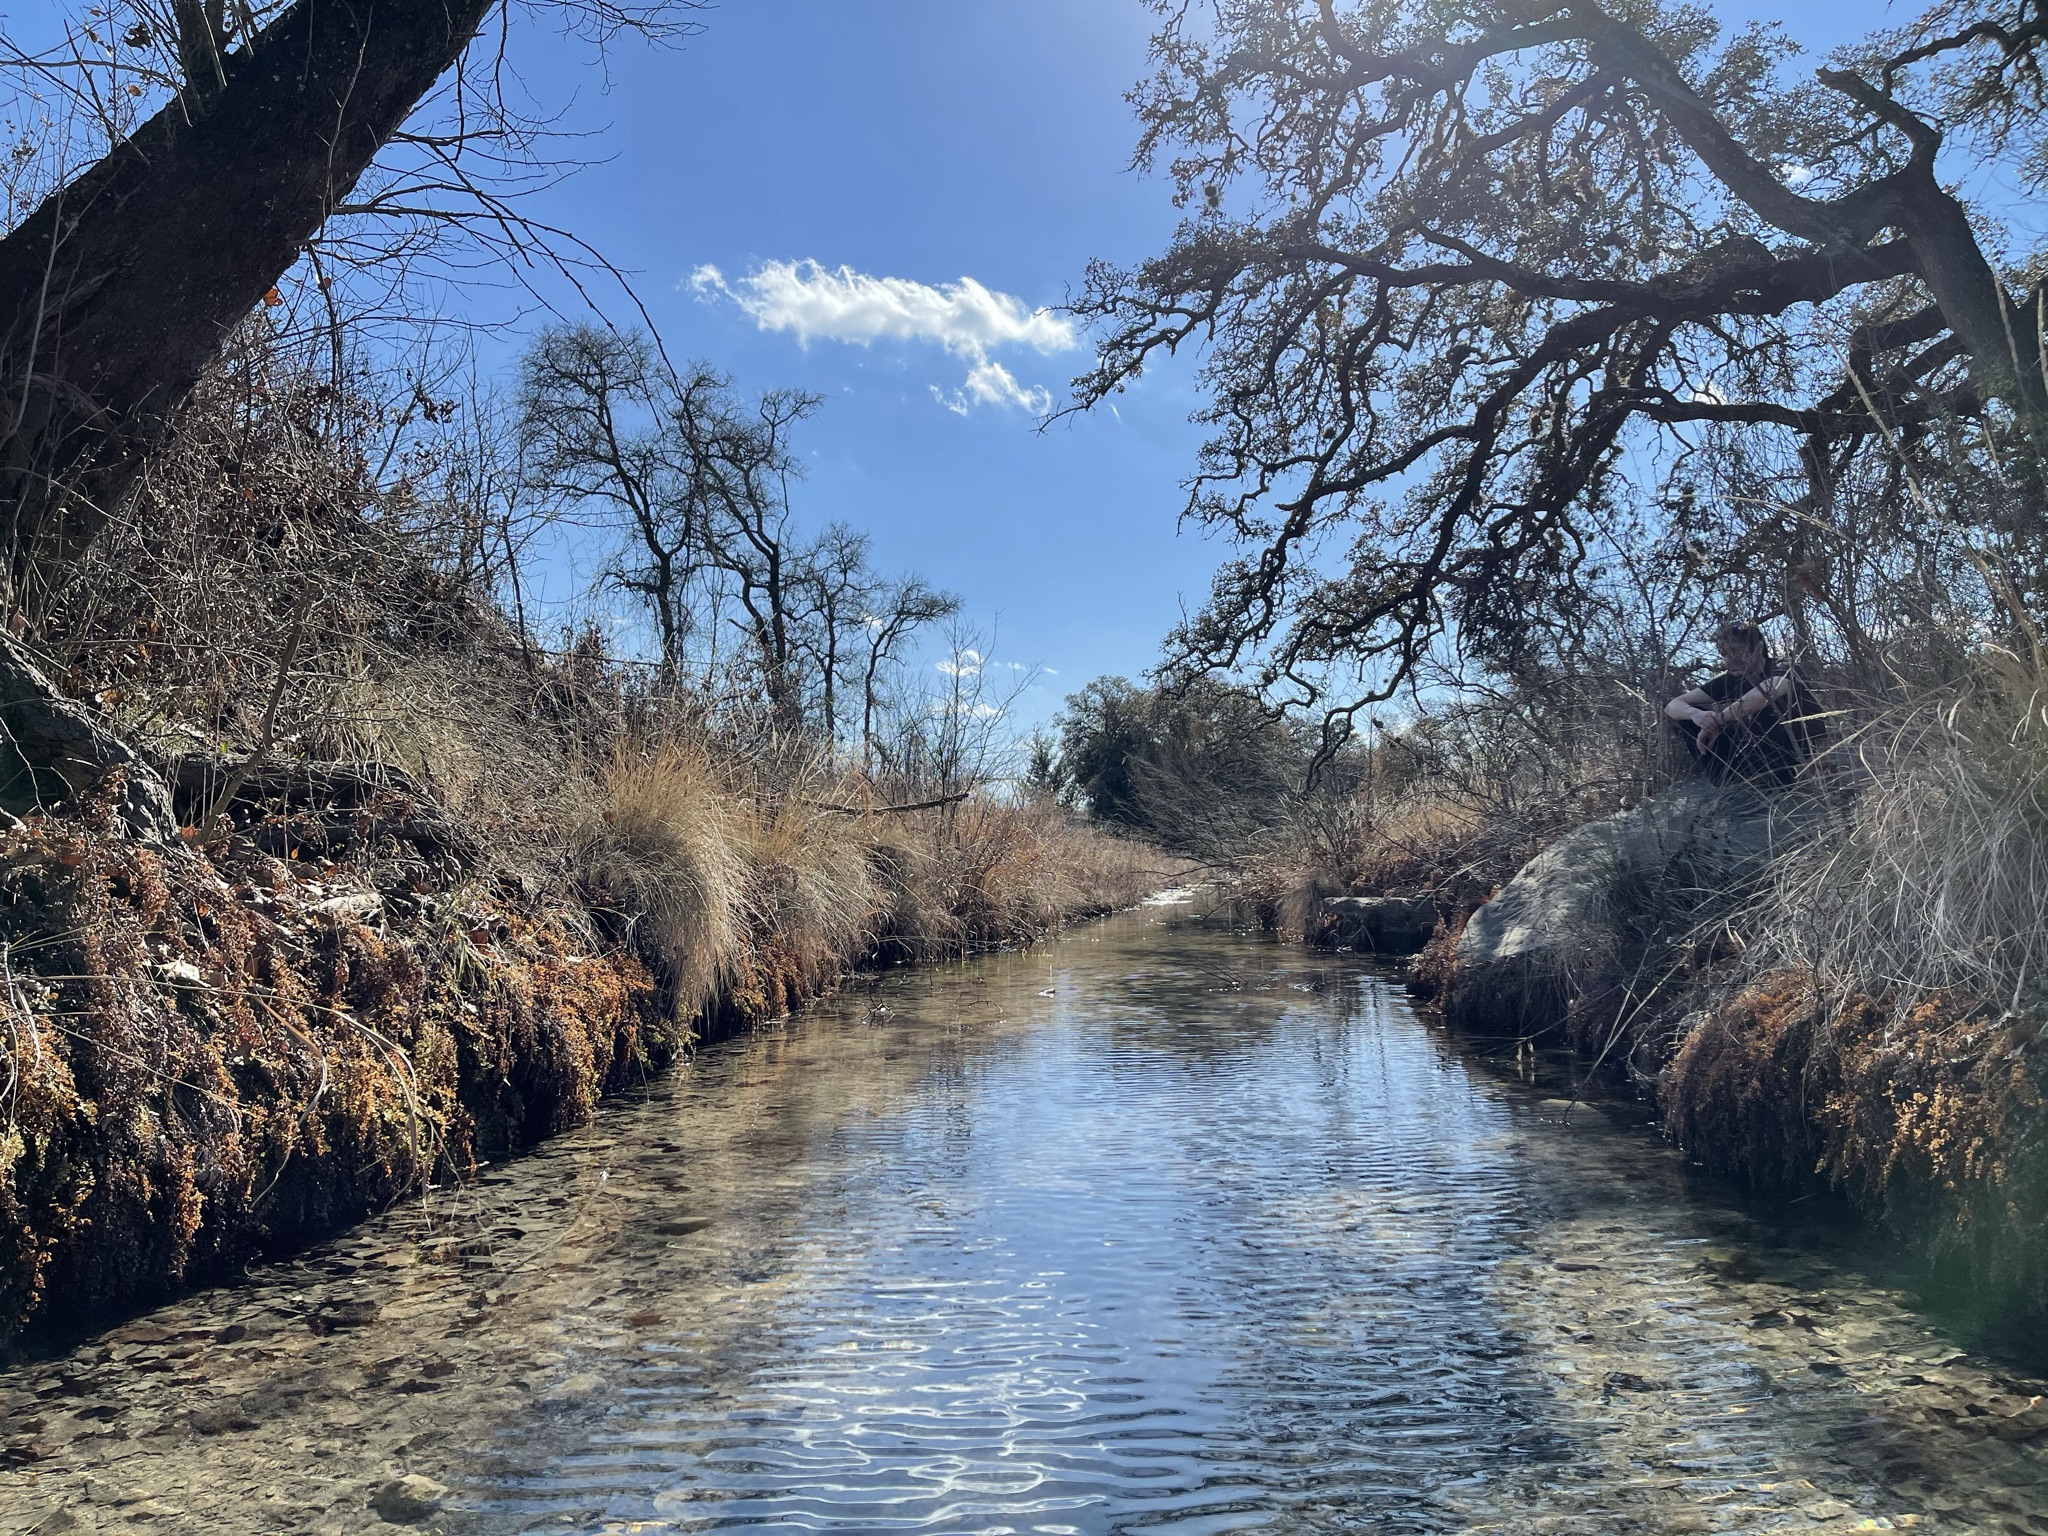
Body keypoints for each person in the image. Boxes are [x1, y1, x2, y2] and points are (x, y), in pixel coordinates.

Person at [1664, 619, 1822, 787]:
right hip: (1757, 753)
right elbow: (1673, 706)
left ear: (1759, 648)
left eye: (1737, 650)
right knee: (1686, 718)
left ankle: (1780, 782)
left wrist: (1717, 720)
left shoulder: (1784, 666)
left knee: (1767, 711)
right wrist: (1698, 715)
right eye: (1724, 654)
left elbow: (1764, 695)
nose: (1730, 659)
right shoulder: (1731, 679)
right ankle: (1727, 785)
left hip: (1804, 749)